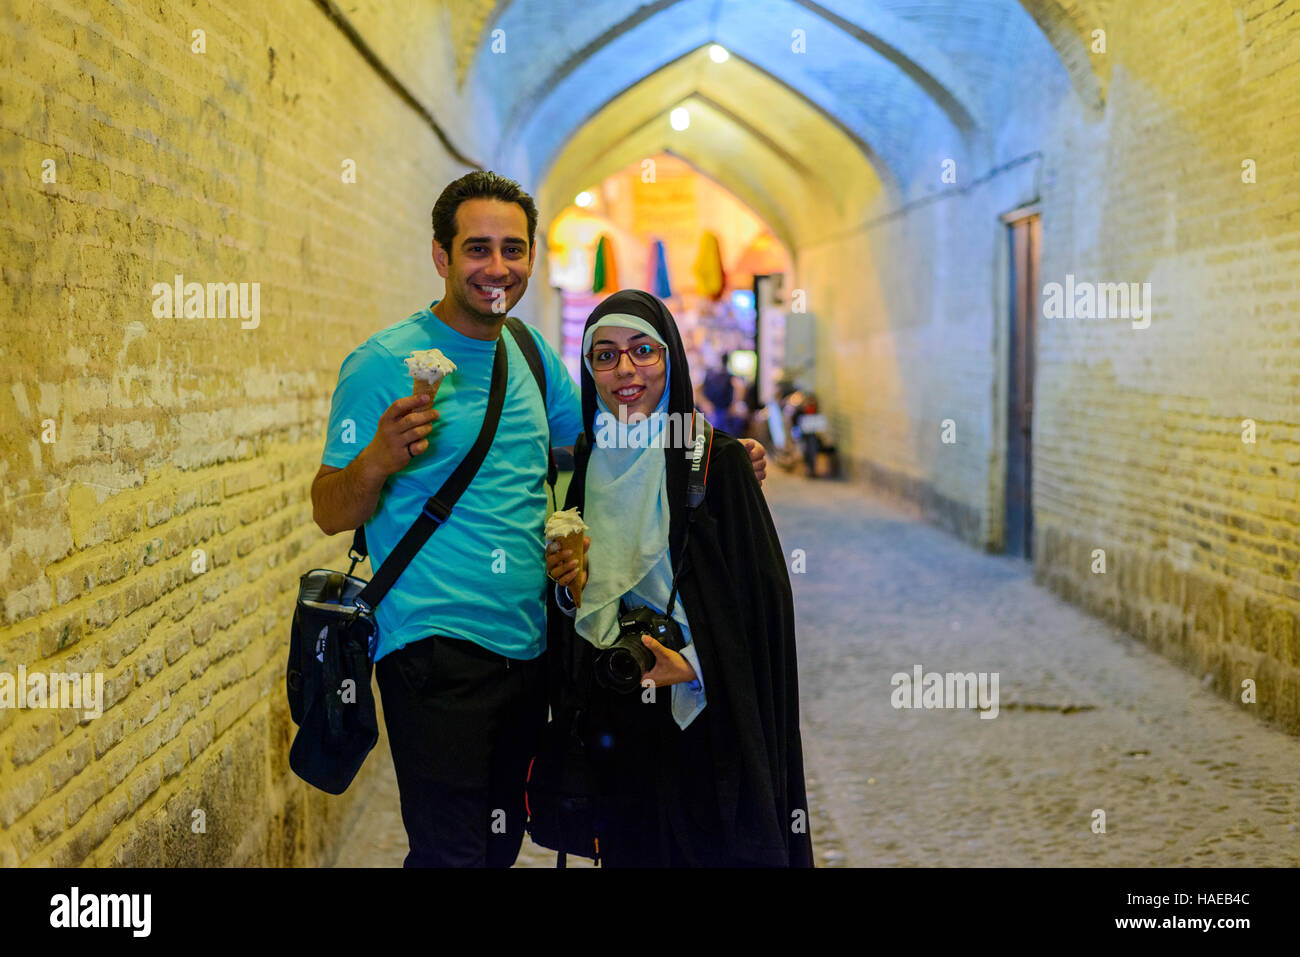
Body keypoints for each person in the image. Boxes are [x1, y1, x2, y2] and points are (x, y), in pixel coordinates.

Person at [310, 172, 769, 867]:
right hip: (431, 651)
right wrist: (376, 459)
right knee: (450, 853)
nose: (497, 268)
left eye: (513, 249)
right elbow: (327, 509)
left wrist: (718, 455)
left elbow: (618, 430)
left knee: (497, 847)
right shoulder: (380, 363)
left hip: (528, 652)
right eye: (477, 249)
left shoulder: (527, 355)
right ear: (440, 255)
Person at [545, 289, 812, 867]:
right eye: (605, 355)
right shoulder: (589, 460)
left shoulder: (717, 460)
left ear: (672, 360)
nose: (626, 370)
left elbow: (764, 605)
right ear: (589, 369)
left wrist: (694, 662)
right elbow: (581, 600)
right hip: (618, 714)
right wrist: (569, 590)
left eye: (644, 350)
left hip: (706, 721)